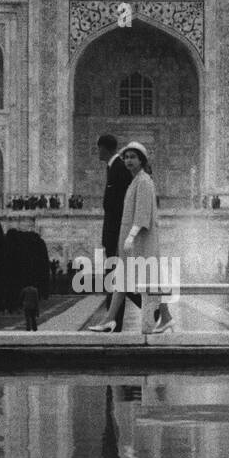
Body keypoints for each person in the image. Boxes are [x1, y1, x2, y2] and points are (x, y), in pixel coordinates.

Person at [93, 141, 173, 335]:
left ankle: (165, 317)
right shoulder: (135, 180)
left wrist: (131, 236)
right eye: (126, 157)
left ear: (141, 160)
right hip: (132, 241)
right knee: (123, 281)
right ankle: (110, 319)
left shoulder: (144, 181)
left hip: (140, 242)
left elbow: (142, 212)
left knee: (145, 281)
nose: (129, 161)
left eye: (133, 157)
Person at [89, 132, 141, 332]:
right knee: (118, 281)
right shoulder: (114, 167)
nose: (97, 152)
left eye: (98, 148)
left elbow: (119, 206)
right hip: (114, 236)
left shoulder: (118, 168)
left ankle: (156, 313)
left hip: (117, 236)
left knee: (119, 281)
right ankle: (114, 323)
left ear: (104, 148)